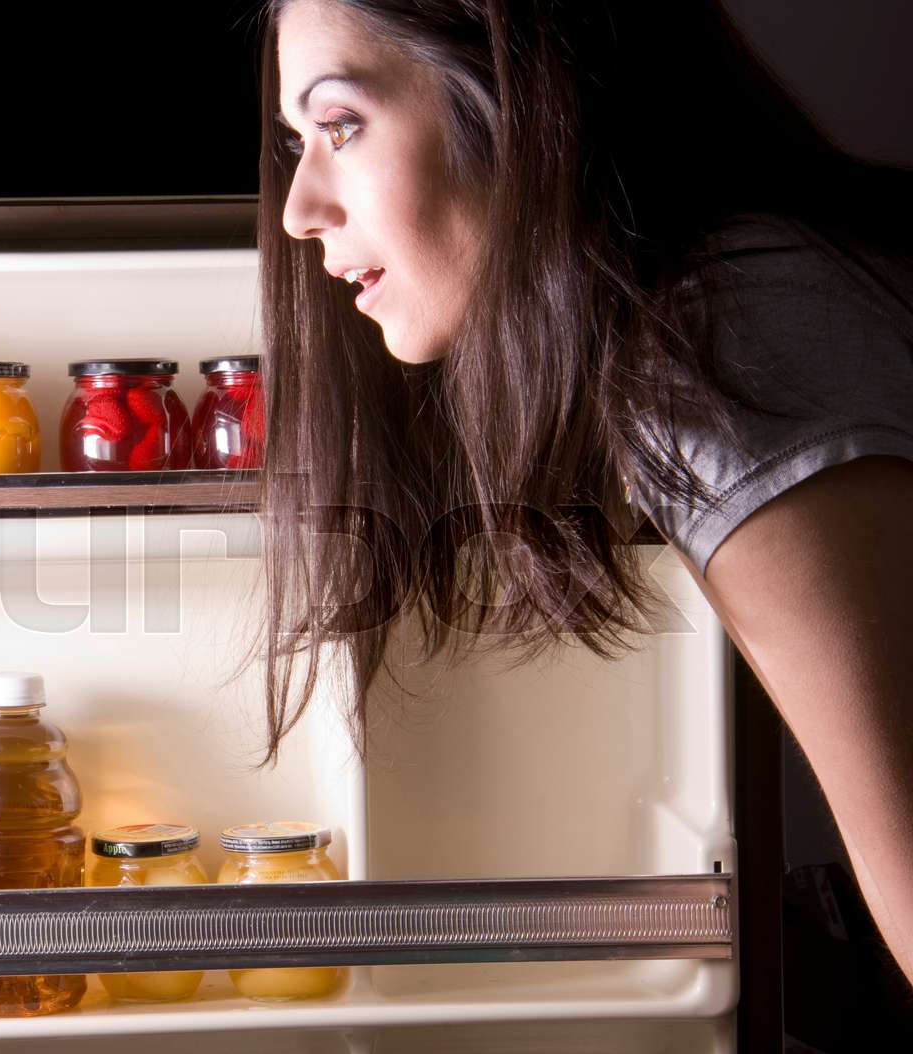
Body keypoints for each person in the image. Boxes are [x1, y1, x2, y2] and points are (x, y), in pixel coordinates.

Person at [255, 0, 913, 986]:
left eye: (341, 126)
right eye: (297, 142)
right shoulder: (719, 301)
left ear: (520, 103)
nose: (299, 207)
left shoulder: (725, 347)